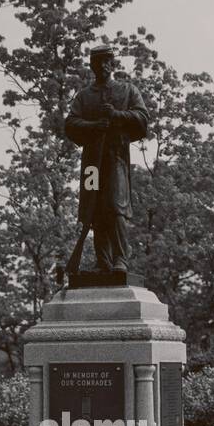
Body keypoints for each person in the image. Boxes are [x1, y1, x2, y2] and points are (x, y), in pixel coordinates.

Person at [62, 44, 149, 277]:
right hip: (91, 164)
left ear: (113, 64)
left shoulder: (127, 91)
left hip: (116, 158)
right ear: (91, 66)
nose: (102, 66)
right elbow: (70, 123)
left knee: (116, 205)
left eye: (106, 61)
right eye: (97, 62)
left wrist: (117, 115)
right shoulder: (84, 96)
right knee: (94, 209)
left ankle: (121, 258)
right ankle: (103, 262)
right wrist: (93, 126)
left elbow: (142, 119)